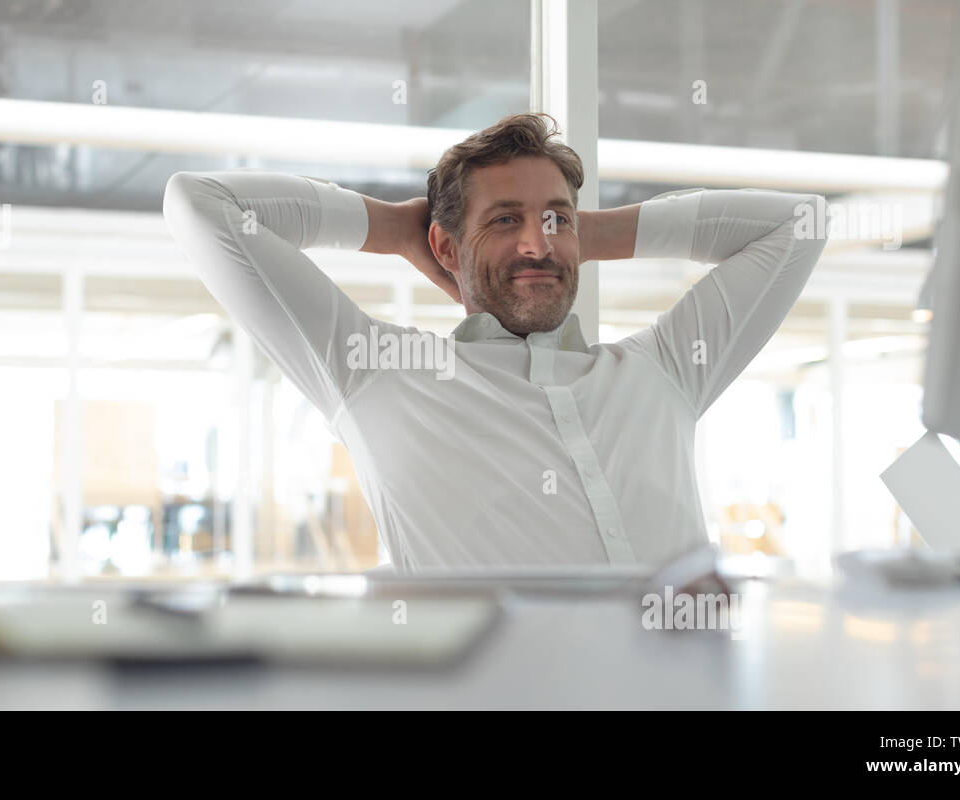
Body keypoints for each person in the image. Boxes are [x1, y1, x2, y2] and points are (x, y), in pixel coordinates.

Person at [163, 112, 828, 574]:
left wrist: (584, 236)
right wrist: (397, 229)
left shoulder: (665, 369)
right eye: (505, 220)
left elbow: (801, 224)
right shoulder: (380, 378)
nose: (536, 243)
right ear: (446, 246)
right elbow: (202, 205)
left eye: (554, 220)